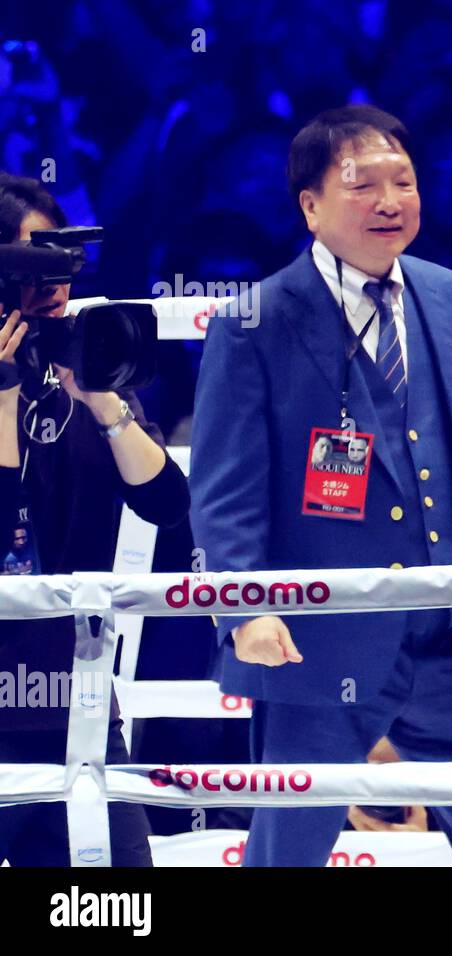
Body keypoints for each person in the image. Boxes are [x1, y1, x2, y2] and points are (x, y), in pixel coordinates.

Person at [189, 104, 452, 867]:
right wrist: (245, 606)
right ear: (309, 204)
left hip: (451, 632)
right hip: (318, 638)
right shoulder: (254, 318)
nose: (389, 201)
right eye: (362, 184)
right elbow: (224, 486)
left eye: (403, 181)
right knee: (288, 849)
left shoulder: (447, 292)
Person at [0, 173, 189, 866]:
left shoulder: (86, 356)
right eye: (32, 262)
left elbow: (167, 506)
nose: (52, 283)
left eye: (62, 262)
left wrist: (107, 405)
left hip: (71, 696)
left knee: (112, 905)